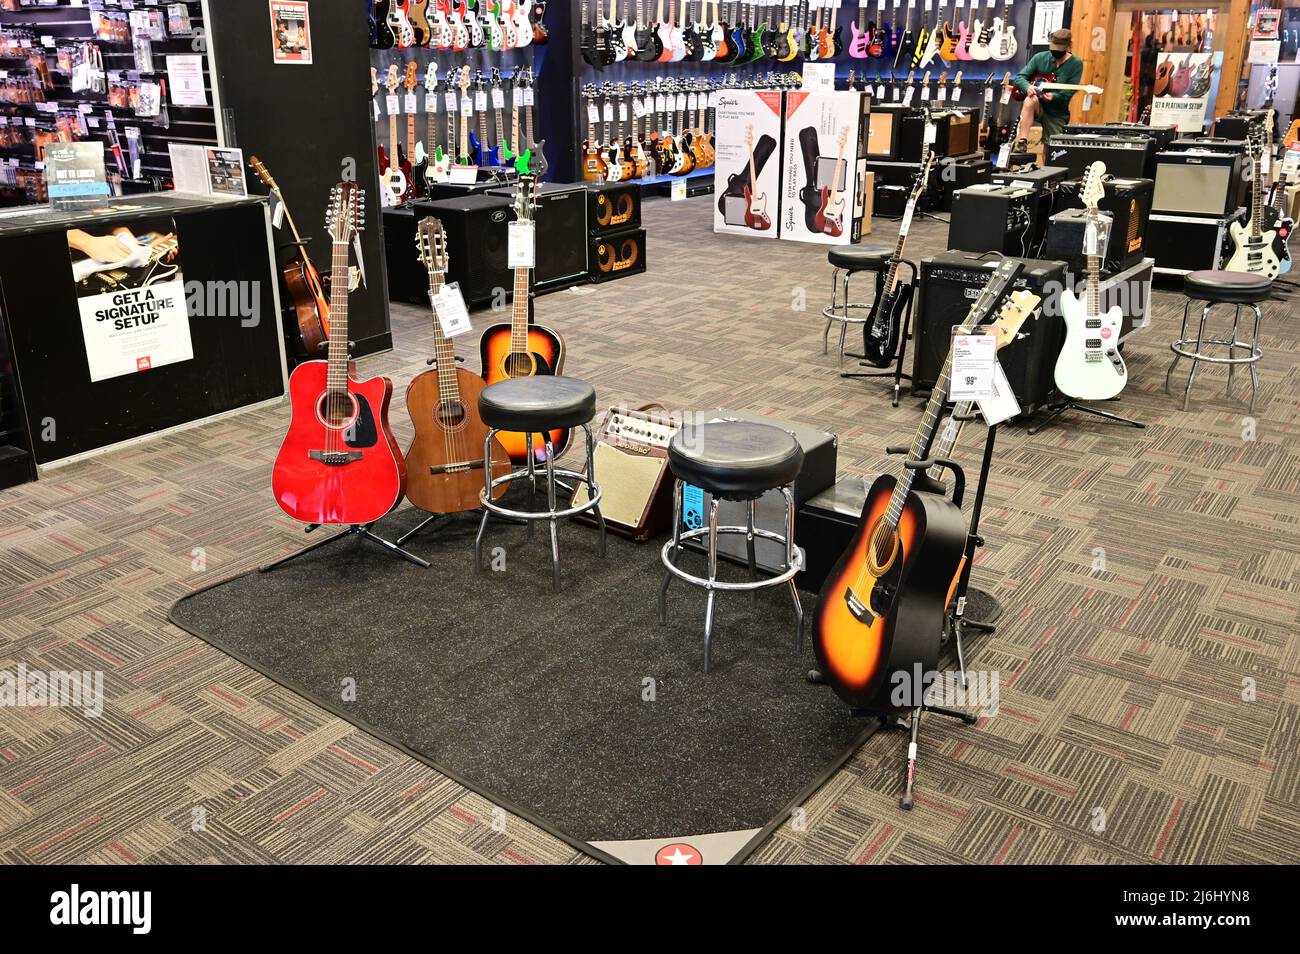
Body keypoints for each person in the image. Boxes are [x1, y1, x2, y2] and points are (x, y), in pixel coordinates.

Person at [1013, 29, 1084, 149]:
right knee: (1029, 100)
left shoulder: (1076, 64)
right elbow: (1020, 77)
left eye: (1059, 49)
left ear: (1069, 46)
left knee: (1053, 150)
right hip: (1037, 105)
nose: (1056, 52)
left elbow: (1069, 91)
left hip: (1056, 112)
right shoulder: (1040, 58)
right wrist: (1028, 87)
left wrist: (1054, 96)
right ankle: (1022, 141)